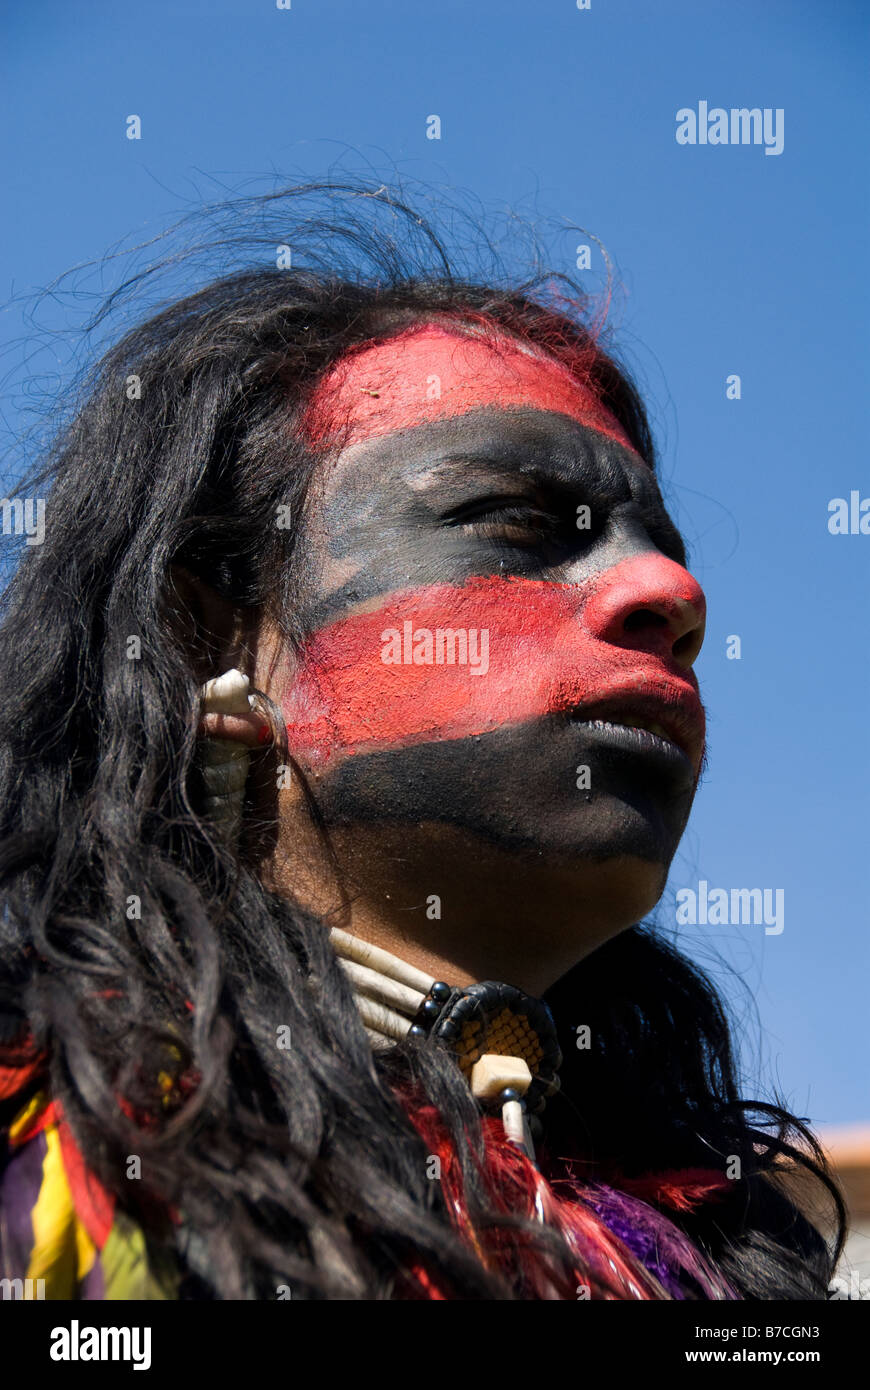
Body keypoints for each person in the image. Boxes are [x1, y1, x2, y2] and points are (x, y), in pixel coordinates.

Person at [0, 186, 844, 1300]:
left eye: (664, 547)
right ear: (209, 627)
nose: (672, 592)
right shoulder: (51, 1175)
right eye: (514, 520)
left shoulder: (729, 1252)